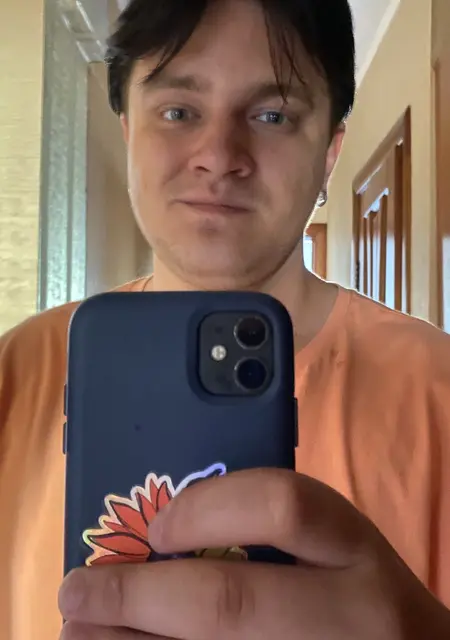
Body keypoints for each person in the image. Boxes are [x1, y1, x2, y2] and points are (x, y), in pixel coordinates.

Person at [0, 0, 449, 637]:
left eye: (272, 115)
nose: (218, 155)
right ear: (128, 131)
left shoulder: (438, 389)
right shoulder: (15, 375)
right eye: (179, 112)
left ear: (330, 151)